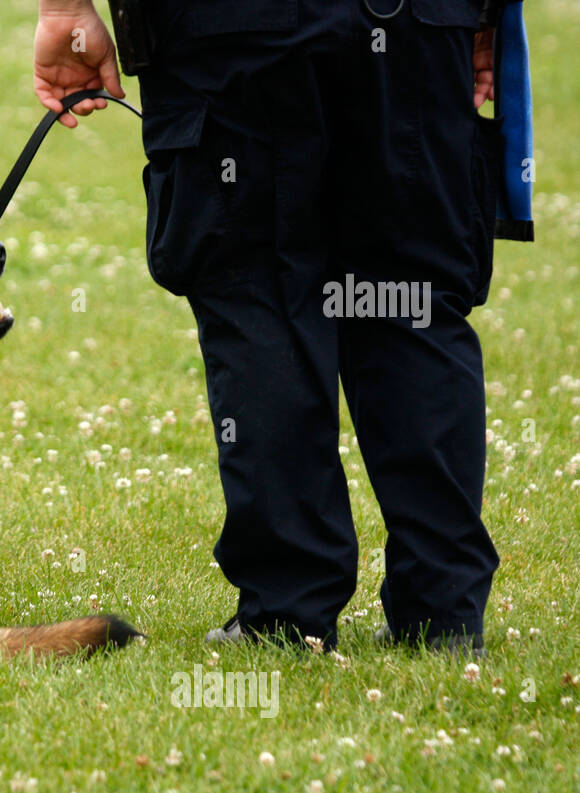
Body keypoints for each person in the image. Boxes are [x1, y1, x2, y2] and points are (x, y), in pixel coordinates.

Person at [34, 0, 503, 654]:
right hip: (415, 20)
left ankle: (290, 611)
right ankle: (443, 616)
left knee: (257, 291)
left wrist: (64, 10)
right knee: (407, 300)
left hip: (234, 27)